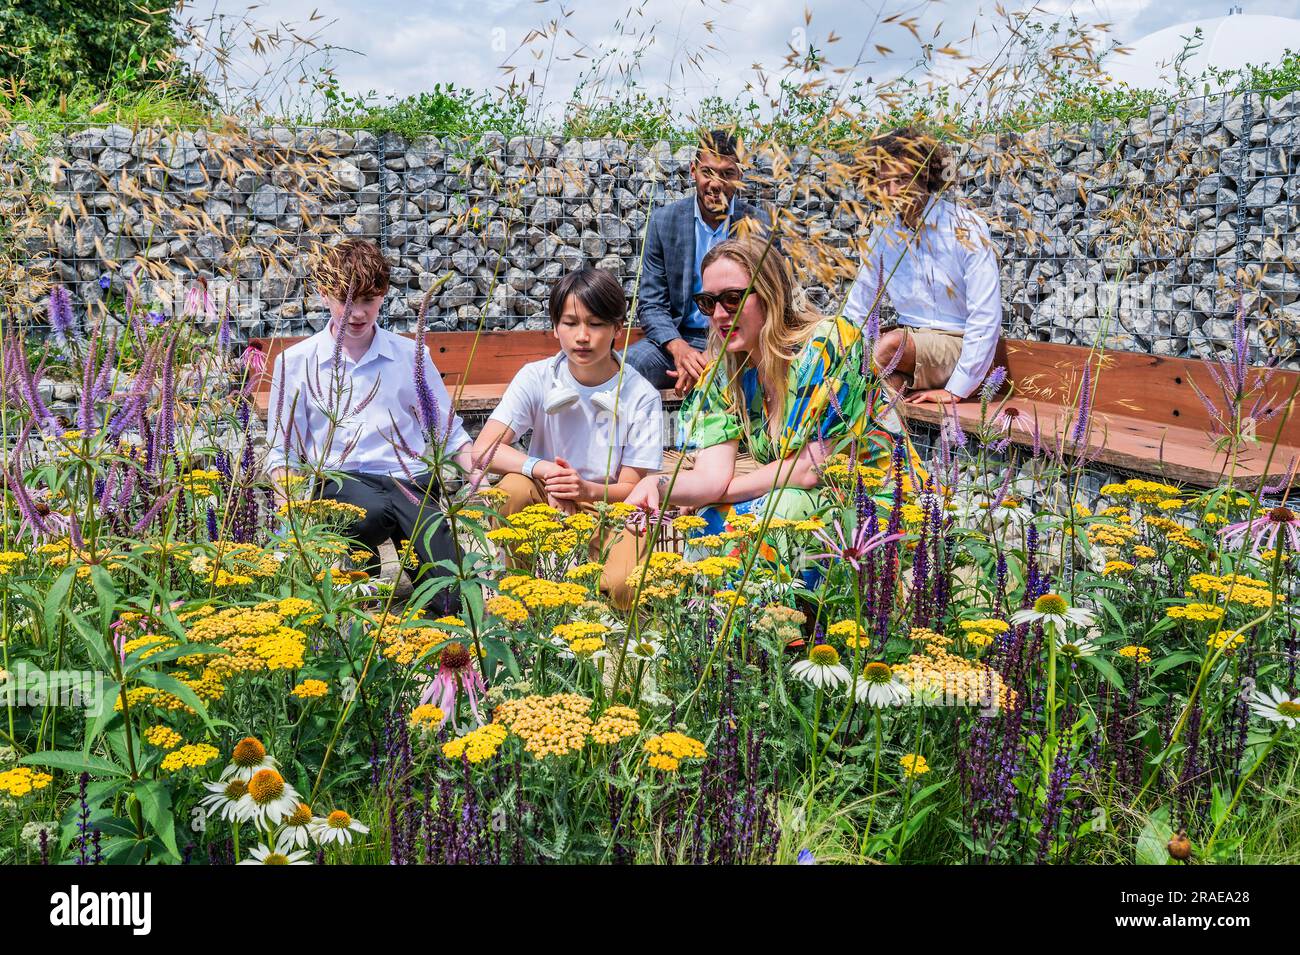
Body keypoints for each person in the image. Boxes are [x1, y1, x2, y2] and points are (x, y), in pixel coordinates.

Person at [625, 237, 921, 571]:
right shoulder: (726, 374)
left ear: (770, 294)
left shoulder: (827, 345)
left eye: (733, 299)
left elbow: (809, 469)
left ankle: (775, 620)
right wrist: (657, 485)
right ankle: (723, 621)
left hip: (879, 506)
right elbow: (711, 477)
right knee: (706, 527)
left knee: (768, 518)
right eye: (708, 303)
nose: (720, 314)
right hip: (805, 501)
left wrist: (720, 494)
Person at [266, 239, 472, 600]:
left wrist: (480, 480)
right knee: (370, 513)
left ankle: (401, 577)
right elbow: (281, 453)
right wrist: (291, 518)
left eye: (367, 301)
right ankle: (360, 567)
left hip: (409, 483)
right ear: (323, 294)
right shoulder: (296, 363)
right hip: (339, 485)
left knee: (452, 596)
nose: (357, 313)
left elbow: (448, 432)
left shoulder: (411, 356)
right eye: (345, 301)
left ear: (383, 296)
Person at [469, 268, 664, 609]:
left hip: (609, 505)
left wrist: (584, 490)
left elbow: (632, 487)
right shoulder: (536, 377)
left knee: (625, 589)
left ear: (618, 327)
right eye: (571, 323)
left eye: (596, 323)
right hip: (547, 496)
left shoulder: (641, 395)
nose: (582, 336)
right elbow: (483, 450)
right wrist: (544, 470)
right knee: (512, 489)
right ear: (556, 326)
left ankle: (593, 604)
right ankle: (520, 595)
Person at [843, 126, 1002, 405]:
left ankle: (819, 403)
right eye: (884, 182)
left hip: (958, 346)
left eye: (902, 179)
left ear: (926, 176)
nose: (891, 192)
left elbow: (985, 315)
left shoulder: (964, 227)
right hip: (911, 354)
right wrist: (839, 344)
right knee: (880, 397)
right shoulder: (883, 234)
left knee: (889, 344)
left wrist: (958, 388)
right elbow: (859, 304)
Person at [626, 128, 775, 395]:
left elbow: (771, 300)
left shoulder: (759, 226)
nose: (716, 183)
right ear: (693, 170)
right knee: (628, 367)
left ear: (740, 176)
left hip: (738, 340)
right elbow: (651, 304)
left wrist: (717, 353)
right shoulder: (664, 222)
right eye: (708, 172)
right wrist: (678, 348)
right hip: (677, 341)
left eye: (727, 173)